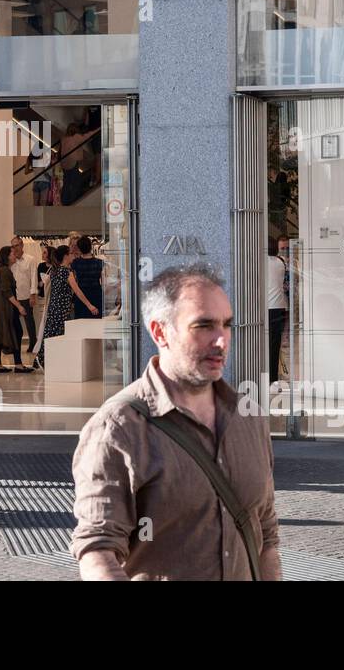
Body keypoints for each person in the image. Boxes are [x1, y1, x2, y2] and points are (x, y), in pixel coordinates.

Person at [71, 264, 281, 580]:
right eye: (203, 326)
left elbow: (265, 531)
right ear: (160, 332)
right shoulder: (117, 429)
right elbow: (98, 551)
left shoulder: (248, 418)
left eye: (226, 324)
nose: (222, 340)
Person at [0, 246, 30, 373]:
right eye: (12, 253)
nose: (14, 255)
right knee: (16, 332)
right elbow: (7, 292)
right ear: (6, 256)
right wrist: (19, 306)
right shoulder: (5, 271)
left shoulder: (3, 270)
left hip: (1, 306)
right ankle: (17, 364)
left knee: (0, 333)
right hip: (4, 307)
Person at [8, 236, 40, 363]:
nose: (14, 248)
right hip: (14, 296)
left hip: (26, 295)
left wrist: (33, 294)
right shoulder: (11, 261)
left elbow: (34, 277)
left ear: (22, 245)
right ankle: (12, 345)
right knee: (12, 321)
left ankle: (32, 343)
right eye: (12, 246)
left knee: (29, 321)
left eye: (16, 245)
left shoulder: (30, 259)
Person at [266, 236, 289, 388]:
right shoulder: (281, 262)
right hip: (279, 307)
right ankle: (273, 378)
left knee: (261, 344)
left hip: (265, 307)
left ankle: (261, 374)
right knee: (275, 346)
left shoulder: (260, 263)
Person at [68, 235, 104, 319]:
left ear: (79, 248)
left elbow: (74, 283)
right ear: (91, 247)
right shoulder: (99, 263)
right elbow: (104, 283)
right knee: (96, 324)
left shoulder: (75, 263)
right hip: (96, 294)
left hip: (81, 295)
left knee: (81, 325)